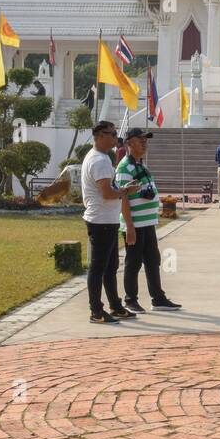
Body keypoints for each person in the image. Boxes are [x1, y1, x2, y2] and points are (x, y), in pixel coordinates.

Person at [115, 128, 182, 313]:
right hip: (135, 224)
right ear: (129, 143)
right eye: (140, 140)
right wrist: (129, 226)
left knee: (153, 260)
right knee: (133, 262)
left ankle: (158, 298)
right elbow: (123, 199)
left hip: (146, 223)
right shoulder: (124, 168)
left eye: (146, 140)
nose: (145, 143)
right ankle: (130, 300)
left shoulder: (141, 165)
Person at [80, 121, 138, 324]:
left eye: (115, 134)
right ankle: (96, 310)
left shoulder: (101, 157)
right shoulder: (100, 161)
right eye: (112, 134)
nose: (116, 138)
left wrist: (121, 189)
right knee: (98, 267)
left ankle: (115, 305)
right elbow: (106, 193)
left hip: (106, 220)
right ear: (100, 135)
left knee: (110, 265)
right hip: (101, 221)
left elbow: (108, 188)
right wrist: (125, 191)